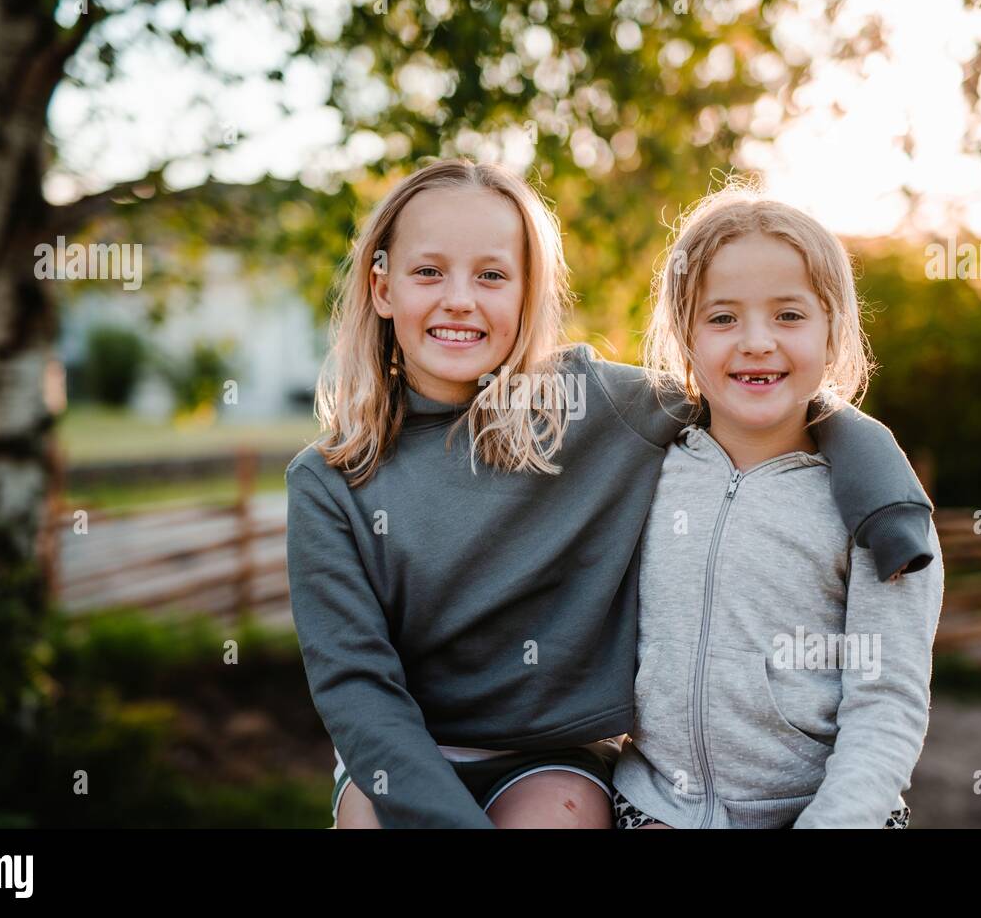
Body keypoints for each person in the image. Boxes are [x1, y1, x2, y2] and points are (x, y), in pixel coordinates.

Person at [285, 159, 936, 828]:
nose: (459, 298)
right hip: (403, 750)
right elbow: (356, 687)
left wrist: (887, 500)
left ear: (527, 291)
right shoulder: (330, 481)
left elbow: (773, 396)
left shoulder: (590, 408)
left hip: (548, 755)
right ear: (382, 286)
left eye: (491, 274)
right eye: (428, 271)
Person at [610, 186, 944, 828]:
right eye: (722, 317)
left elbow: (887, 705)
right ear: (684, 335)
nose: (756, 341)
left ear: (832, 332)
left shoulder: (879, 507)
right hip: (656, 808)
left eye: (789, 316)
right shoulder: (644, 473)